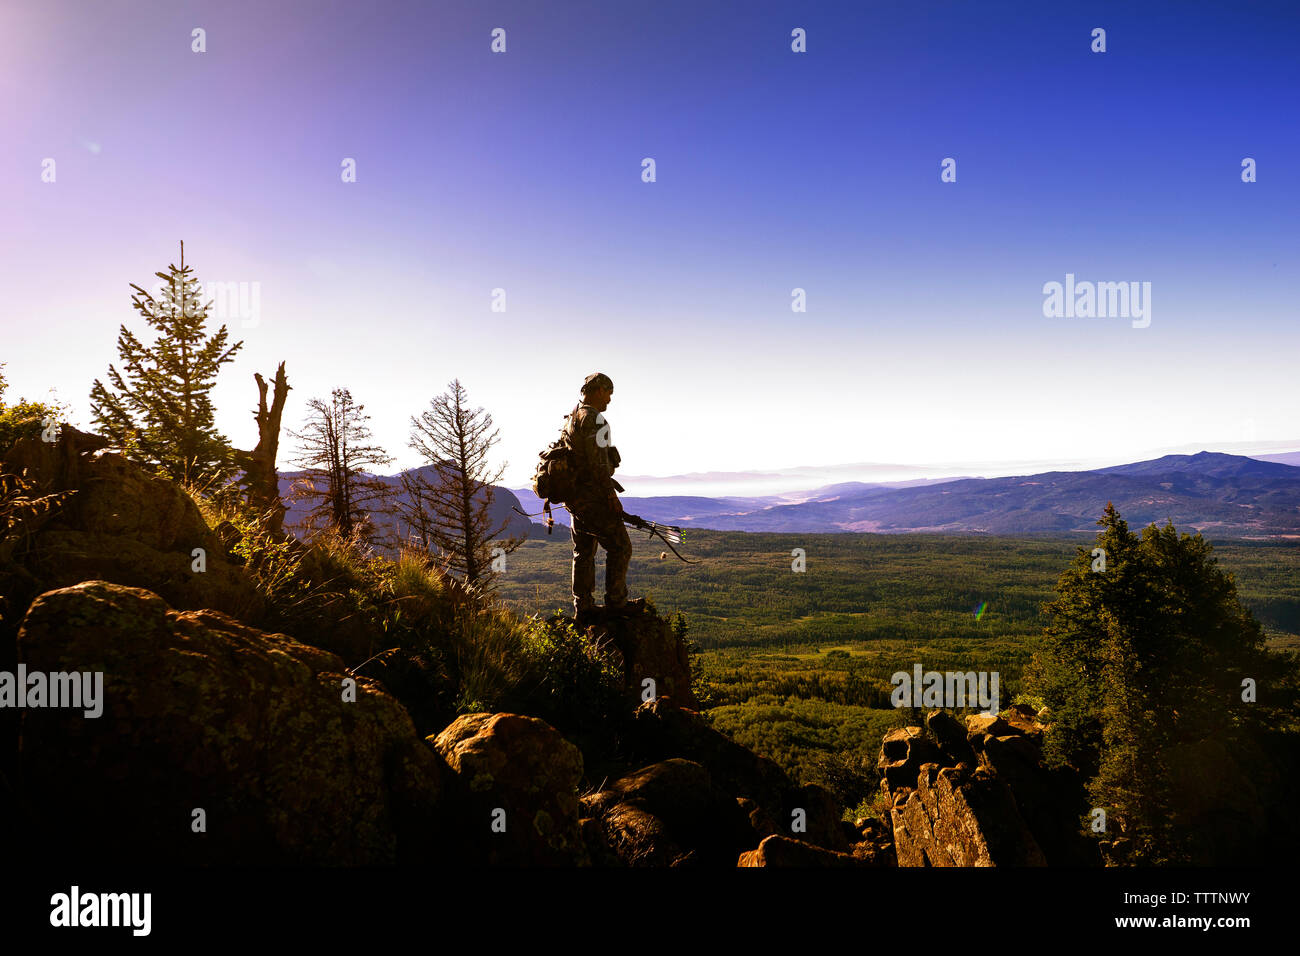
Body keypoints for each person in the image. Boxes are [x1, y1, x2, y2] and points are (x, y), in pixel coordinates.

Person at [564, 372, 633, 620]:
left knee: (583, 550)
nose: (610, 400)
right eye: (609, 393)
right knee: (621, 546)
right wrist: (610, 496)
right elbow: (598, 465)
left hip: (575, 498)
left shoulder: (572, 416)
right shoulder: (596, 419)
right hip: (594, 498)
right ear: (597, 390)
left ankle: (582, 607)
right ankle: (616, 603)